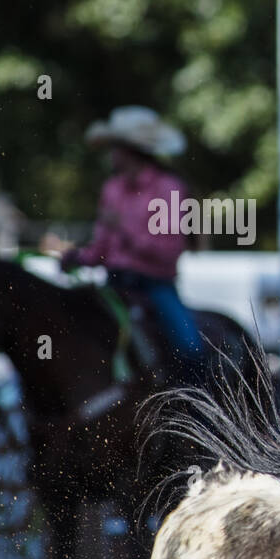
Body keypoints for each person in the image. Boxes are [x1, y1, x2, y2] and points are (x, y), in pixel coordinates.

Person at [60, 106, 205, 386]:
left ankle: (199, 414)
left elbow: (168, 251)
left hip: (153, 286)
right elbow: (101, 249)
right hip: (114, 285)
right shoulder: (112, 188)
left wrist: (124, 229)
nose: (112, 154)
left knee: (190, 349)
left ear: (131, 150)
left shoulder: (168, 188)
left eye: (116, 147)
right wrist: (79, 257)